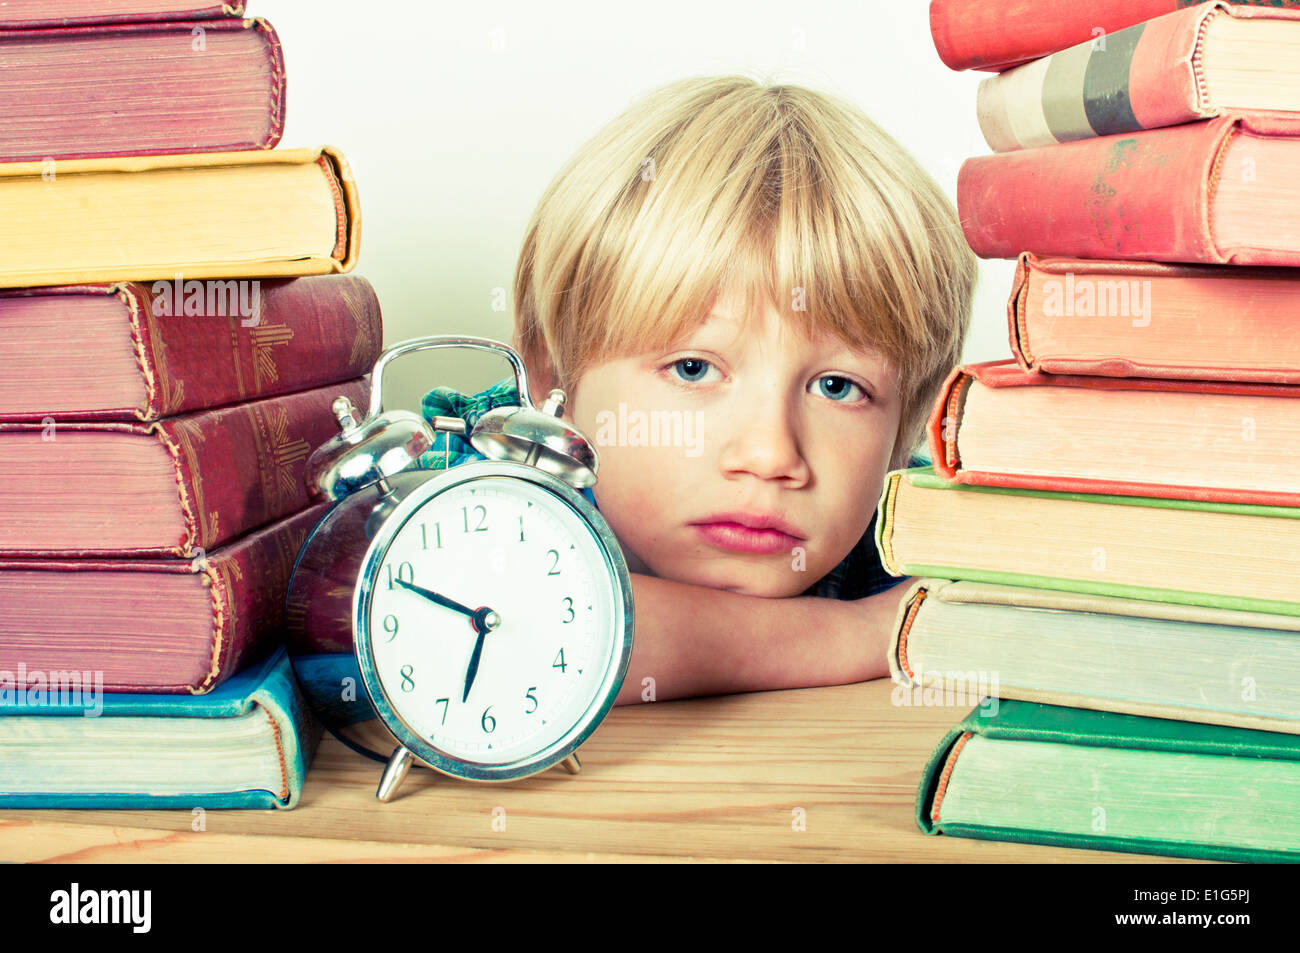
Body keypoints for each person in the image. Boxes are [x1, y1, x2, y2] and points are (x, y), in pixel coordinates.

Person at [420, 74, 975, 705]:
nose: (770, 456)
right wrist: (869, 633)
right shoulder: (479, 489)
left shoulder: (917, 532)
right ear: (554, 382)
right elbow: (523, 629)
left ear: (907, 432)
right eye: (692, 368)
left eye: (837, 385)